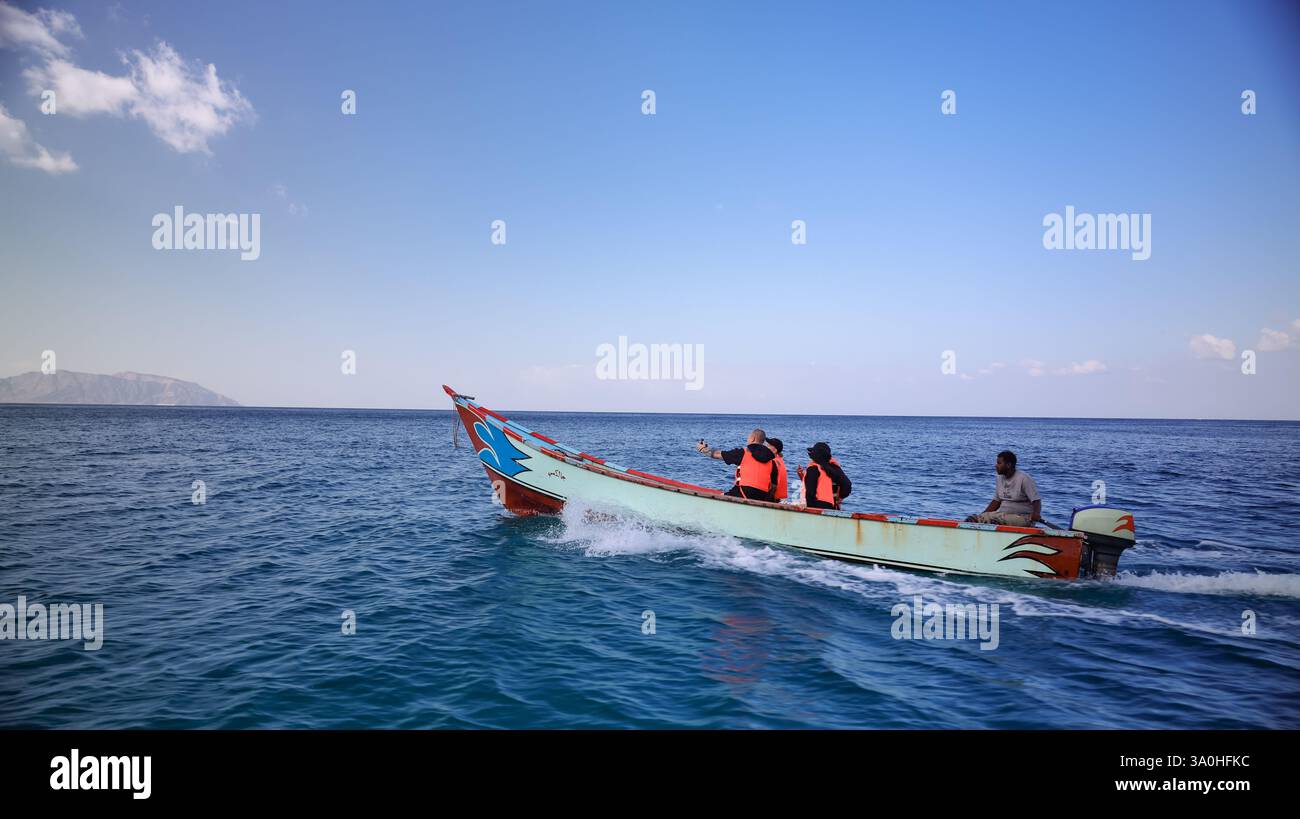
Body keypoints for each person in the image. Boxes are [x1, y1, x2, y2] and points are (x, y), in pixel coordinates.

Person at [697, 429, 780, 502]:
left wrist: (703, 449)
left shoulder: (743, 453)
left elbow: (717, 454)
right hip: (762, 496)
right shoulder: (772, 461)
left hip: (742, 493)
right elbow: (773, 486)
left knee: (722, 496)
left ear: (752, 439)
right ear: (763, 442)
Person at [966, 450, 1041, 526]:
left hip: (1022, 518)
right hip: (1002, 515)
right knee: (972, 519)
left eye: (999, 463)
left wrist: (1036, 514)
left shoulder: (1024, 478)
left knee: (994, 522)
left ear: (1008, 465)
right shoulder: (999, 478)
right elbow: (996, 501)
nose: (996, 465)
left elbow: (1036, 500)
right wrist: (982, 516)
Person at [798, 442, 851, 509]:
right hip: (831, 506)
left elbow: (810, 493)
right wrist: (840, 498)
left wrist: (809, 508)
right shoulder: (834, 468)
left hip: (816, 506)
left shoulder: (813, 468)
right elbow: (847, 484)